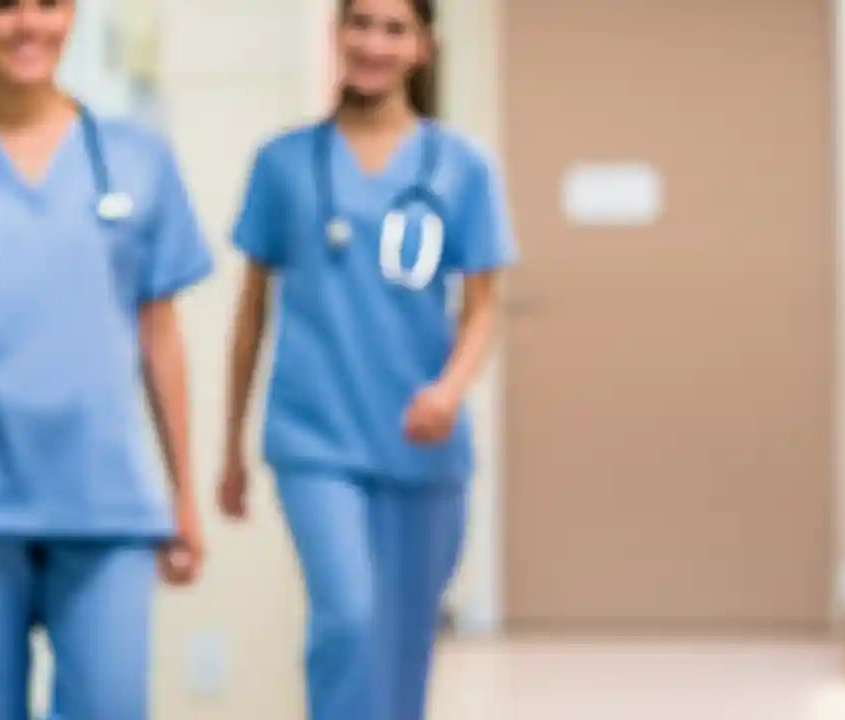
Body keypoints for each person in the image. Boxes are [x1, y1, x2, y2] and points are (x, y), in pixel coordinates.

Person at [219, 0, 517, 717]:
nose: (374, 43)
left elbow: (483, 306)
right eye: (361, 24)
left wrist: (450, 390)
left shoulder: (461, 165)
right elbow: (251, 313)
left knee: (404, 644)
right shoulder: (283, 162)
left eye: (394, 29)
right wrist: (230, 446)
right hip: (314, 438)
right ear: (337, 36)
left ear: (423, 47)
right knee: (348, 618)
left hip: (424, 444)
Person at [0, 1, 213, 718]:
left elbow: (161, 336)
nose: (27, 25)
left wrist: (184, 492)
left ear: (72, 15)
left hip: (105, 499)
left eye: (47, 4)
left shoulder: (135, 158)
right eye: (4, 6)